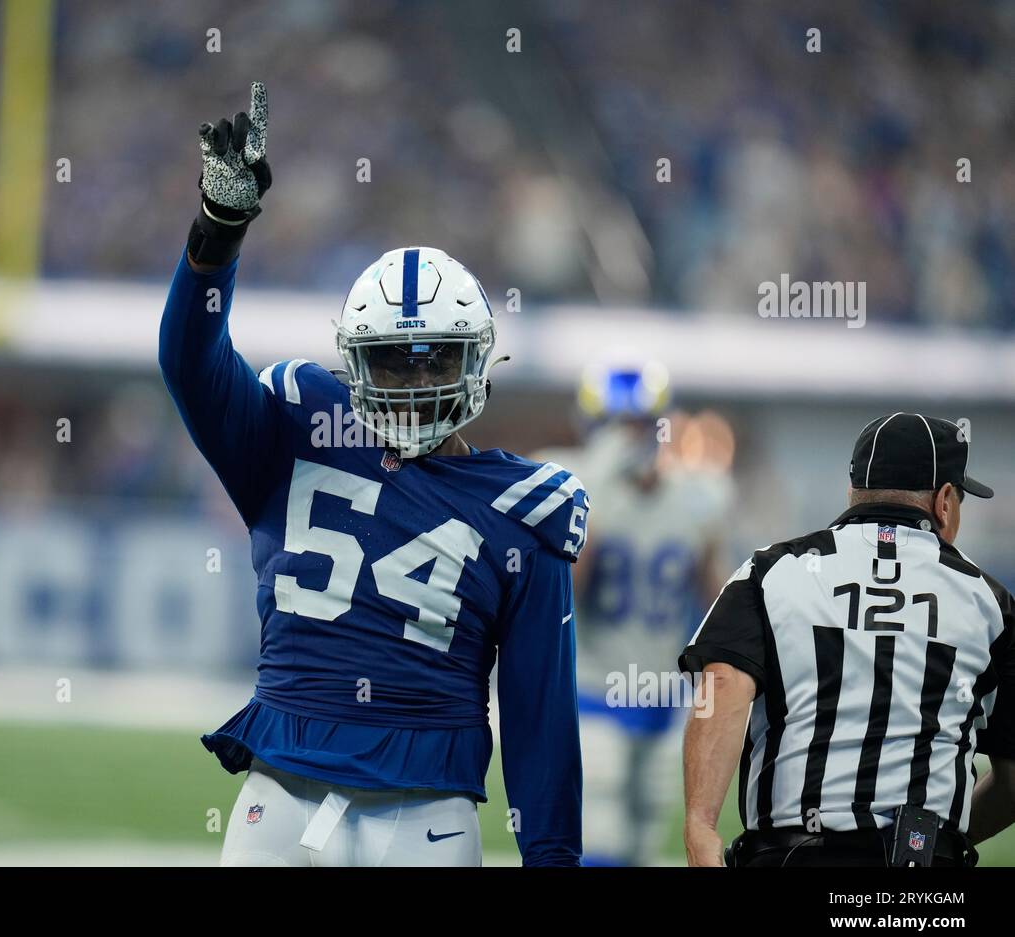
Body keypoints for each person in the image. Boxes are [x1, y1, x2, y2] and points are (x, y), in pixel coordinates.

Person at [159, 83, 588, 866]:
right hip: (280, 799)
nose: (416, 382)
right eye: (391, 361)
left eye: (436, 361)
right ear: (352, 363)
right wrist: (218, 231)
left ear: (478, 363)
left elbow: (539, 716)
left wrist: (551, 857)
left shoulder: (524, 507)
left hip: (427, 817)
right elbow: (190, 365)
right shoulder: (296, 425)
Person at [680, 412, 1015, 866]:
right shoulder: (989, 600)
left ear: (853, 491)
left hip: (789, 855)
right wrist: (932, 836)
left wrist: (700, 827)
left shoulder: (771, 571)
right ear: (945, 501)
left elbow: (722, 685)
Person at [534, 362, 729, 865]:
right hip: (593, 686)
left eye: (638, 425)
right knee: (601, 836)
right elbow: (562, 589)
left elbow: (716, 598)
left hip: (662, 691)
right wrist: (594, 494)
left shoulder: (696, 495)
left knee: (643, 842)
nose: (628, 438)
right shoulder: (565, 480)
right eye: (617, 426)